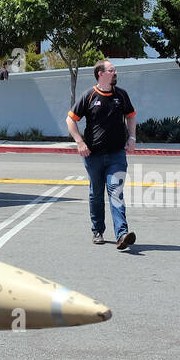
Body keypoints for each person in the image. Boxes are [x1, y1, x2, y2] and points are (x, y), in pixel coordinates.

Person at [66, 60, 137, 250]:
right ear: (100, 74)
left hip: (116, 155)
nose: (115, 73)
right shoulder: (89, 95)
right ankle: (97, 230)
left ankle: (122, 234)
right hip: (93, 155)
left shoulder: (121, 95)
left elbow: (130, 116)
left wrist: (132, 137)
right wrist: (80, 143)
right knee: (96, 194)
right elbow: (70, 119)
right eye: (111, 70)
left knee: (115, 193)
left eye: (115, 70)